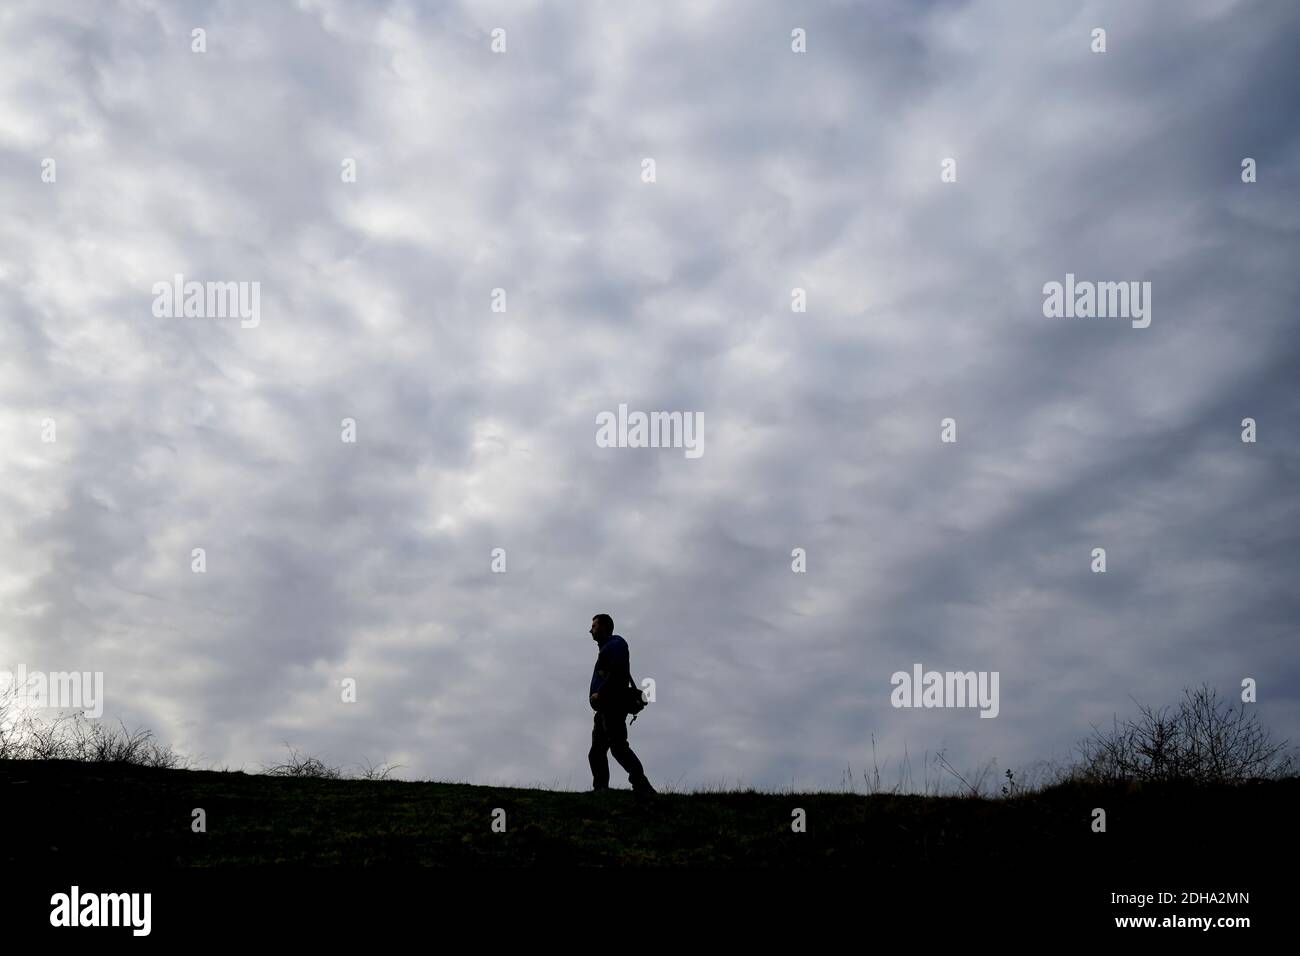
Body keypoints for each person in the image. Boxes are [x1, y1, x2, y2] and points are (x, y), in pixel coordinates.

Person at [587, 614, 655, 794]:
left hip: (612, 706)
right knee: (597, 752)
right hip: (604, 708)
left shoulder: (617, 645)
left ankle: (642, 785)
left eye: (594, 626)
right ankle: (601, 789)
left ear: (604, 627)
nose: (590, 630)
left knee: (618, 748)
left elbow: (619, 674)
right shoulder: (607, 648)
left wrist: (599, 695)